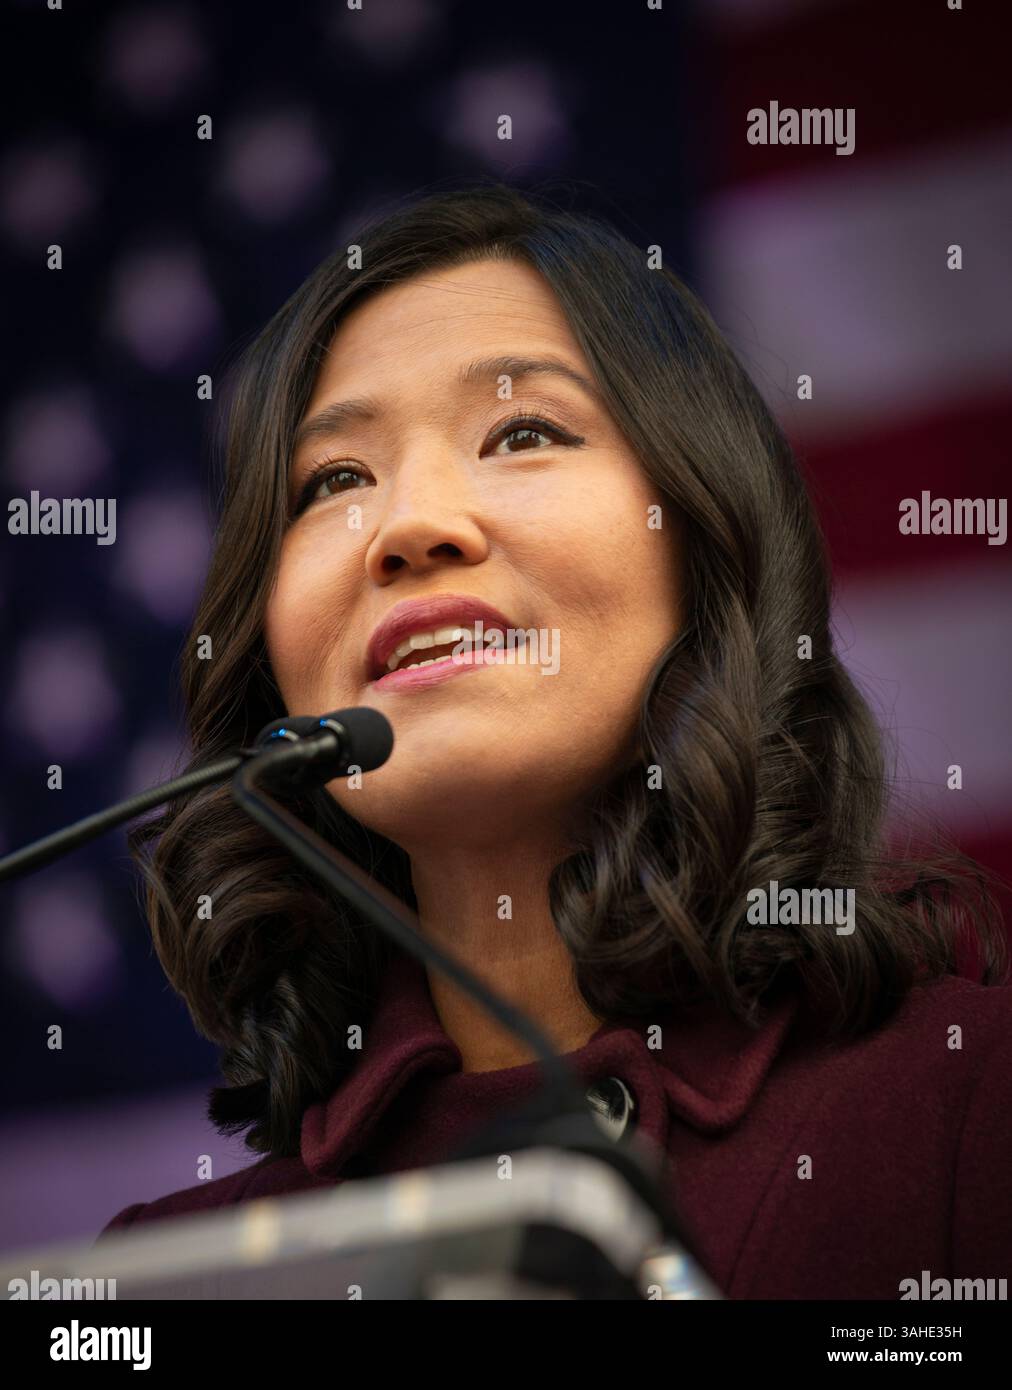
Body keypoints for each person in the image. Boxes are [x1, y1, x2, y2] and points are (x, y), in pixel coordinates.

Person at [95, 183, 1011, 1299]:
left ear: (707, 549)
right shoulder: (146, 1278)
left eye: (523, 430)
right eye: (334, 479)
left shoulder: (969, 1105)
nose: (412, 524)